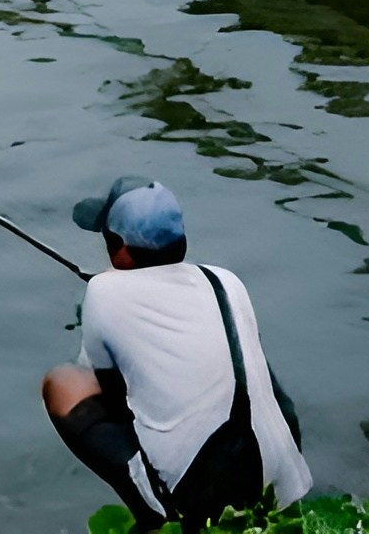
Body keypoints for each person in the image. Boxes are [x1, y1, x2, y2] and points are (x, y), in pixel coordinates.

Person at [42, 178, 308, 529]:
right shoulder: (225, 280)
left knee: (62, 384)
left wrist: (108, 303)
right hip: (277, 477)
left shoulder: (103, 291)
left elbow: (109, 390)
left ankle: (158, 510)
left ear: (120, 249)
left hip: (205, 486)